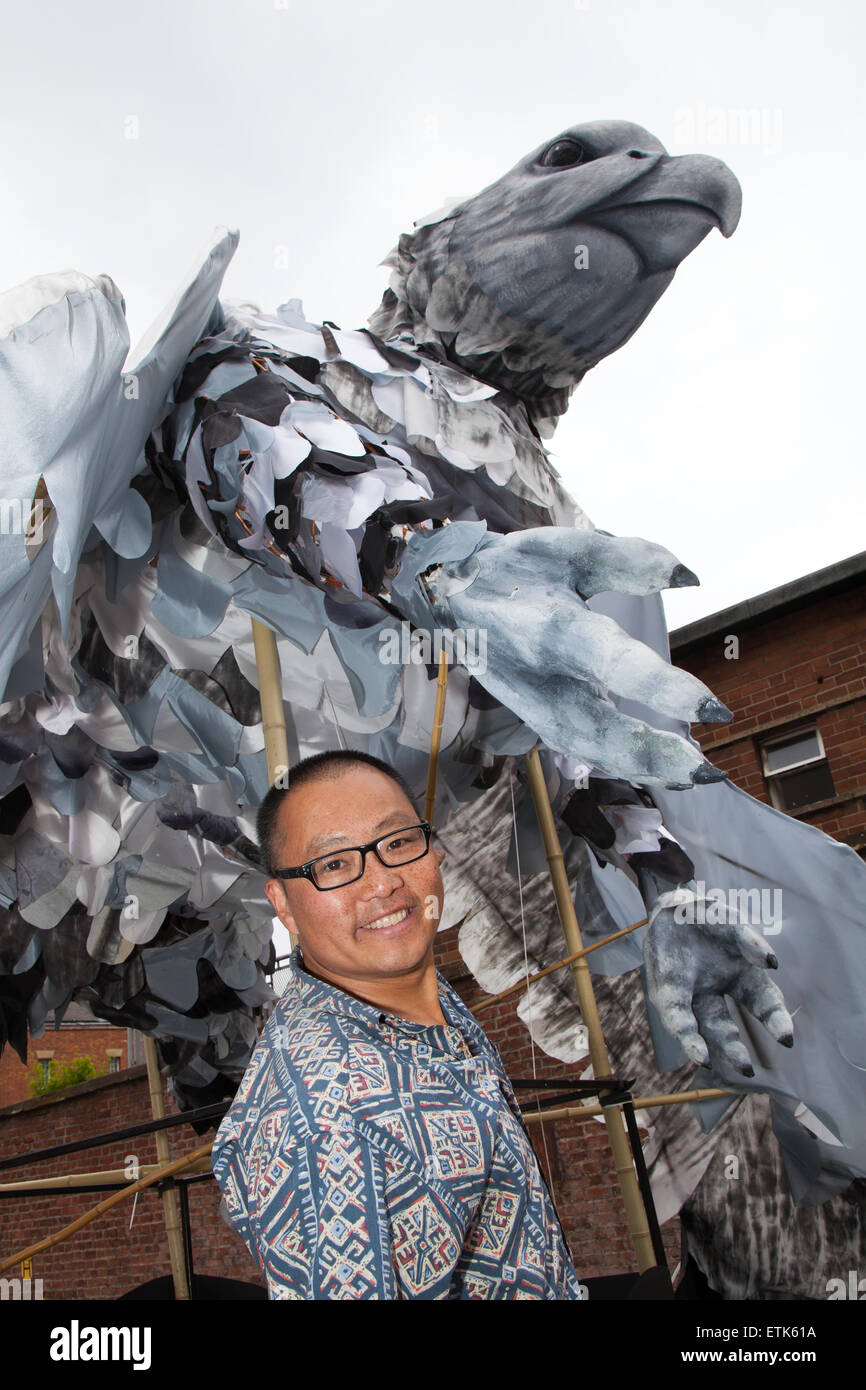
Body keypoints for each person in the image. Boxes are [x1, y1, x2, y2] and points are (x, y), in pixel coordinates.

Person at [211, 749, 585, 1300]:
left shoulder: (410, 1000)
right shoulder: (333, 1119)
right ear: (283, 905)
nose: (383, 882)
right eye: (334, 864)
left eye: (399, 842)